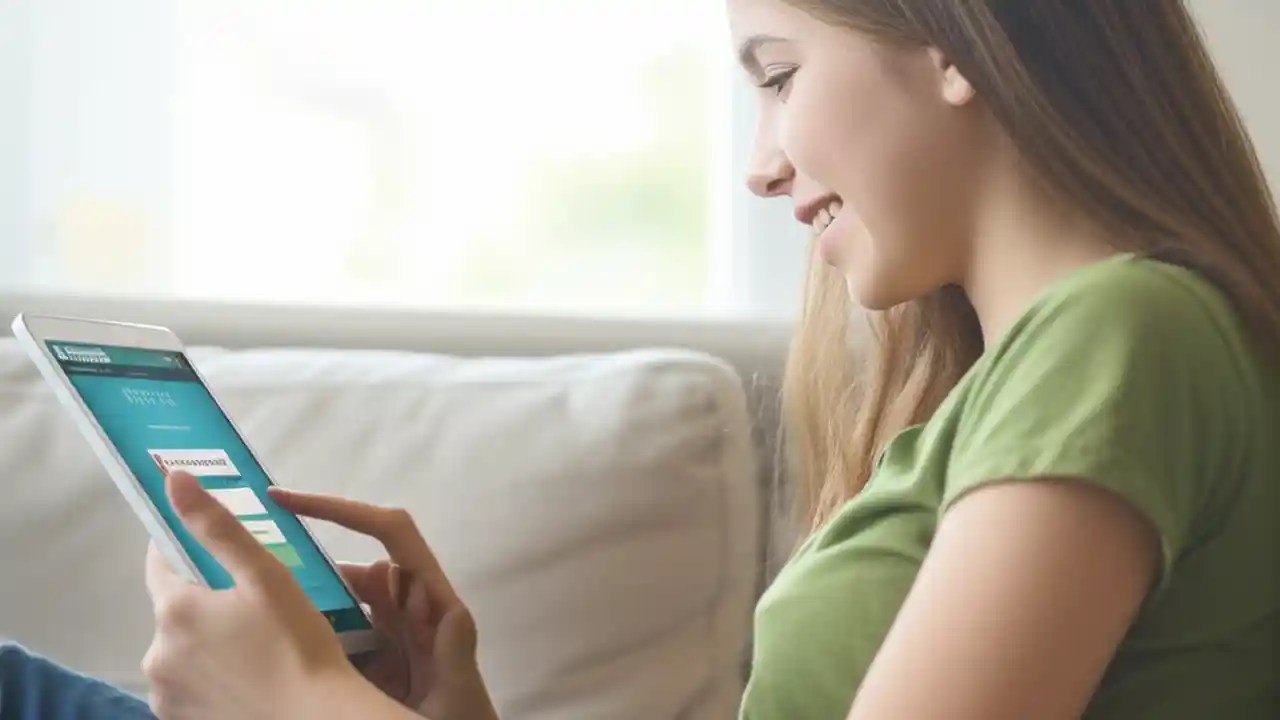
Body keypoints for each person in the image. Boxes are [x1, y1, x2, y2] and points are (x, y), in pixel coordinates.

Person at [2, 0, 1277, 718]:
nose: (760, 161)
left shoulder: (1123, 331)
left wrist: (300, 706)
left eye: (779, 76)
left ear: (954, 39)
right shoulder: (1031, 374)